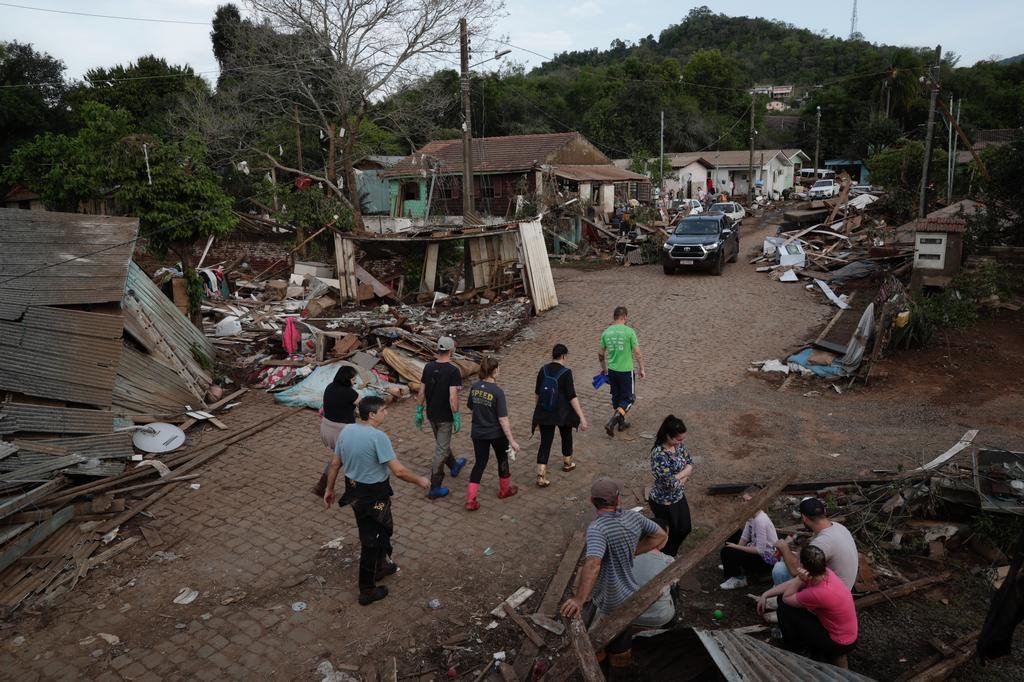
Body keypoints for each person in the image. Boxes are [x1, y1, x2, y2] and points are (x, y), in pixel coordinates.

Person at [324, 397, 429, 605]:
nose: (386, 413)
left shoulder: (346, 431)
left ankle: (381, 566)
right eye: (383, 410)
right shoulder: (378, 437)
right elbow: (398, 471)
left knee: (380, 530)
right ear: (372, 414)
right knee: (372, 540)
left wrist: (329, 488)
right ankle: (367, 590)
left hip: (353, 491)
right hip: (373, 495)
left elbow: (335, 464)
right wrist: (420, 480)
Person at [561, 477, 668, 670]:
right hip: (630, 592)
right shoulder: (633, 517)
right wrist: (634, 550)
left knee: (598, 640)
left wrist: (578, 599)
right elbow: (660, 535)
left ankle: (601, 667)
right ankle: (620, 665)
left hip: (610, 598)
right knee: (622, 633)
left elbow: (593, 564)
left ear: (592, 501)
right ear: (617, 499)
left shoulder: (598, 529)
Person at [758, 545, 858, 664]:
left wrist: (800, 578)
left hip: (838, 643)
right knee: (786, 601)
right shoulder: (824, 572)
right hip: (845, 633)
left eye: (798, 559)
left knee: (784, 608)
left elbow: (786, 598)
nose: (795, 560)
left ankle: (797, 650)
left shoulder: (819, 593)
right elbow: (791, 584)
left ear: (804, 567)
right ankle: (796, 637)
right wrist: (766, 594)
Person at [464, 357, 522, 511]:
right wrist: (512, 441)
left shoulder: (475, 387)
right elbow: (503, 419)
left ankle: (470, 499)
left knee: (479, 463)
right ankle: (504, 490)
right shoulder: (498, 392)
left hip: (478, 433)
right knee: (502, 459)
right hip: (496, 434)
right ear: (494, 371)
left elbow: (471, 406)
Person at [416, 336, 467, 499]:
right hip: (445, 416)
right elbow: (453, 397)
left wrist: (419, 410)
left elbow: (421, 392)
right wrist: (457, 415)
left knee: (442, 442)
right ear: (451, 350)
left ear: (439, 350)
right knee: (441, 449)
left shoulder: (428, 367)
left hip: (431, 414)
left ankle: (453, 465)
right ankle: (435, 486)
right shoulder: (453, 371)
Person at [532, 343, 588, 487]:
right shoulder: (566, 372)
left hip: (545, 411)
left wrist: (538, 412)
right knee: (566, 435)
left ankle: (541, 474)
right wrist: (581, 416)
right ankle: (567, 462)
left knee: (545, 442)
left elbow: (538, 393)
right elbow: (572, 396)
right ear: (563, 356)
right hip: (563, 413)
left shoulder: (543, 370)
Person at [772, 497, 858, 591]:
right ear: (824, 511)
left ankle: (785, 600)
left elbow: (795, 570)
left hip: (833, 592)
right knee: (784, 558)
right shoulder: (837, 527)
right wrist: (786, 553)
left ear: (804, 518)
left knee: (779, 569)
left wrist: (784, 548)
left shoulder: (823, 542)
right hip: (839, 583)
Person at [647, 415, 693, 557]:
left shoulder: (678, 446)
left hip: (678, 496)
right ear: (668, 436)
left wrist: (678, 476)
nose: (681, 442)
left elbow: (690, 463)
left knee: (685, 528)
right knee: (670, 533)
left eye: (682, 439)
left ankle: (670, 553)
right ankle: (666, 556)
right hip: (664, 501)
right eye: (678, 439)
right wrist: (684, 474)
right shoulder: (659, 455)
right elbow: (669, 485)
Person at [312, 365, 360, 499]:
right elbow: (363, 407)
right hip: (342, 432)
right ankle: (350, 491)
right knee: (347, 461)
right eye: (353, 378)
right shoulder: (350, 393)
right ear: (347, 379)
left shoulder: (329, 387)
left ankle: (321, 486)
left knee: (338, 459)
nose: (355, 381)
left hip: (327, 428)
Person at [598, 306, 645, 437]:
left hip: (612, 371)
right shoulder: (629, 332)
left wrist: (604, 369)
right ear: (625, 317)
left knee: (617, 397)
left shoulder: (606, 332)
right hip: (626, 371)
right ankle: (613, 421)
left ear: (614, 317)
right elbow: (637, 352)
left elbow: (600, 354)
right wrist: (641, 368)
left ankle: (621, 423)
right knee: (629, 399)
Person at [719, 508, 779, 590]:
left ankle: (739, 579)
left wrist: (736, 548)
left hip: (766, 560)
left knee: (726, 551)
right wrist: (734, 556)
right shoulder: (751, 516)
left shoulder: (760, 520)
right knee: (733, 535)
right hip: (756, 549)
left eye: (748, 500)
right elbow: (745, 537)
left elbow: (760, 550)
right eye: (744, 500)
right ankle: (731, 565)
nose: (745, 503)